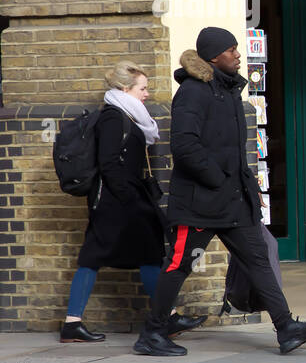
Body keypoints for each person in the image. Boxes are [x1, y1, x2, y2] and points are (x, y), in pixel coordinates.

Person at [133, 28, 306, 357]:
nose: (238, 55)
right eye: (231, 50)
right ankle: (152, 333)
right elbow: (184, 146)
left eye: (237, 49)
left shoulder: (228, 92)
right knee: (179, 264)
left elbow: (233, 152)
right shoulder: (194, 92)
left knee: (259, 261)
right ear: (213, 56)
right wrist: (217, 178)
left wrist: (247, 188)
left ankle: (286, 328)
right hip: (200, 202)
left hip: (233, 202)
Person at [61, 62, 206, 343]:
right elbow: (109, 164)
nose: (147, 94)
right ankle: (75, 323)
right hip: (116, 203)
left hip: (123, 199)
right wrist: (130, 200)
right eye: (143, 88)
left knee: (145, 254)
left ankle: (167, 317)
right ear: (125, 89)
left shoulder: (128, 115)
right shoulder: (114, 118)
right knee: (100, 257)